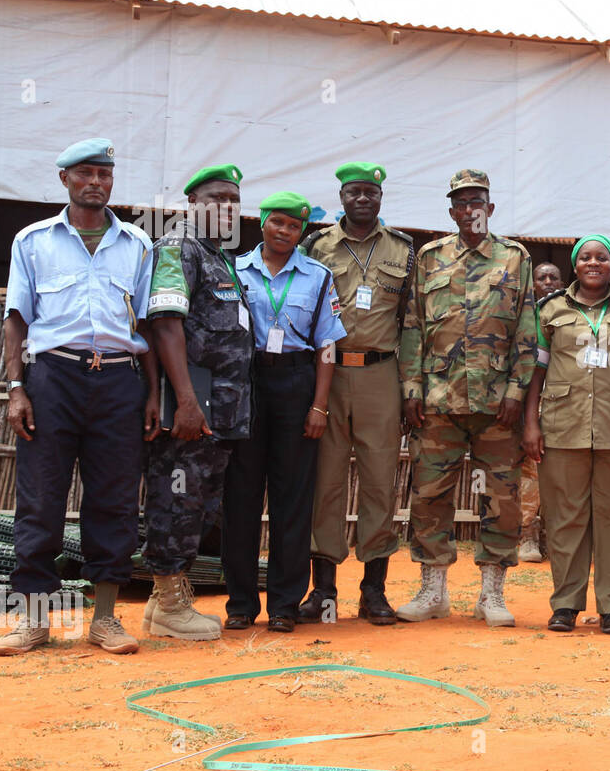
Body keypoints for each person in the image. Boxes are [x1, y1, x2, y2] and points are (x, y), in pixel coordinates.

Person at [0, 138, 159, 656]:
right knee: (40, 500)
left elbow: (149, 325)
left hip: (117, 380)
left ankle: (105, 620)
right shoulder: (32, 240)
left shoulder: (136, 244)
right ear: (64, 179)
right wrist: (16, 386)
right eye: (85, 173)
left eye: (104, 175)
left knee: (113, 501)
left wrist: (152, 392)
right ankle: (34, 622)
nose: (96, 183)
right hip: (52, 379)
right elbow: (16, 319)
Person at [398, 169, 538, 627]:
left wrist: (518, 389)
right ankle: (433, 590)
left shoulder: (515, 258)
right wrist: (411, 389)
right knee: (428, 494)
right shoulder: (429, 257)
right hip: (438, 401)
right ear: (452, 211)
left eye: (477, 201)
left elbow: (526, 329)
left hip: (498, 403)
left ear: (490, 208)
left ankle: (491, 595)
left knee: (502, 498)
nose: (469, 209)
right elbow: (414, 326)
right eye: (460, 202)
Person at [221, 193, 346, 632]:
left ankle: (283, 606)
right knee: (241, 497)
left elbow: (327, 346)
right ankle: (239, 604)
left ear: (302, 232)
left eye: (293, 226)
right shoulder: (233, 270)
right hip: (244, 384)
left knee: (293, 500)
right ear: (262, 224)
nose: (283, 231)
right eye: (277, 222)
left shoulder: (318, 276)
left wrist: (319, 405)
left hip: (296, 384)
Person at [142, 163, 255, 640]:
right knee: (178, 499)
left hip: (222, 409)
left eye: (232, 201)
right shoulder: (178, 246)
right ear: (193, 205)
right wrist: (186, 402)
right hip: (194, 405)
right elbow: (165, 323)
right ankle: (170, 604)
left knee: (200, 503)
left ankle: (161, 600)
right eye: (215, 200)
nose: (226, 208)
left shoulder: (218, 254)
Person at [298, 163, 413, 626]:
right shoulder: (316, 245)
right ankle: (323, 592)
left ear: (381, 198)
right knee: (324, 484)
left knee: (380, 483)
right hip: (328, 374)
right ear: (341, 196)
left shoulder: (404, 250)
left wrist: (409, 388)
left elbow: (413, 322)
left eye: (371, 192)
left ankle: (374, 591)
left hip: (381, 376)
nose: (363, 199)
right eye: (354, 192)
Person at [523, 235, 610, 634]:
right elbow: (535, 373)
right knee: (565, 518)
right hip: (563, 427)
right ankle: (566, 603)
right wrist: (530, 423)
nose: (593, 263)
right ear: (574, 266)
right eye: (585, 258)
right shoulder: (549, 309)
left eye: (602, 258)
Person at [519, 261, 565, 563]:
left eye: (554, 277)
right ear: (533, 283)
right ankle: (527, 534)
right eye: (541, 277)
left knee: (562, 470)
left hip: (564, 402)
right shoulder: (523, 316)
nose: (548, 282)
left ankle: (556, 535)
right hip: (528, 399)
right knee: (529, 469)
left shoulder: (571, 314)